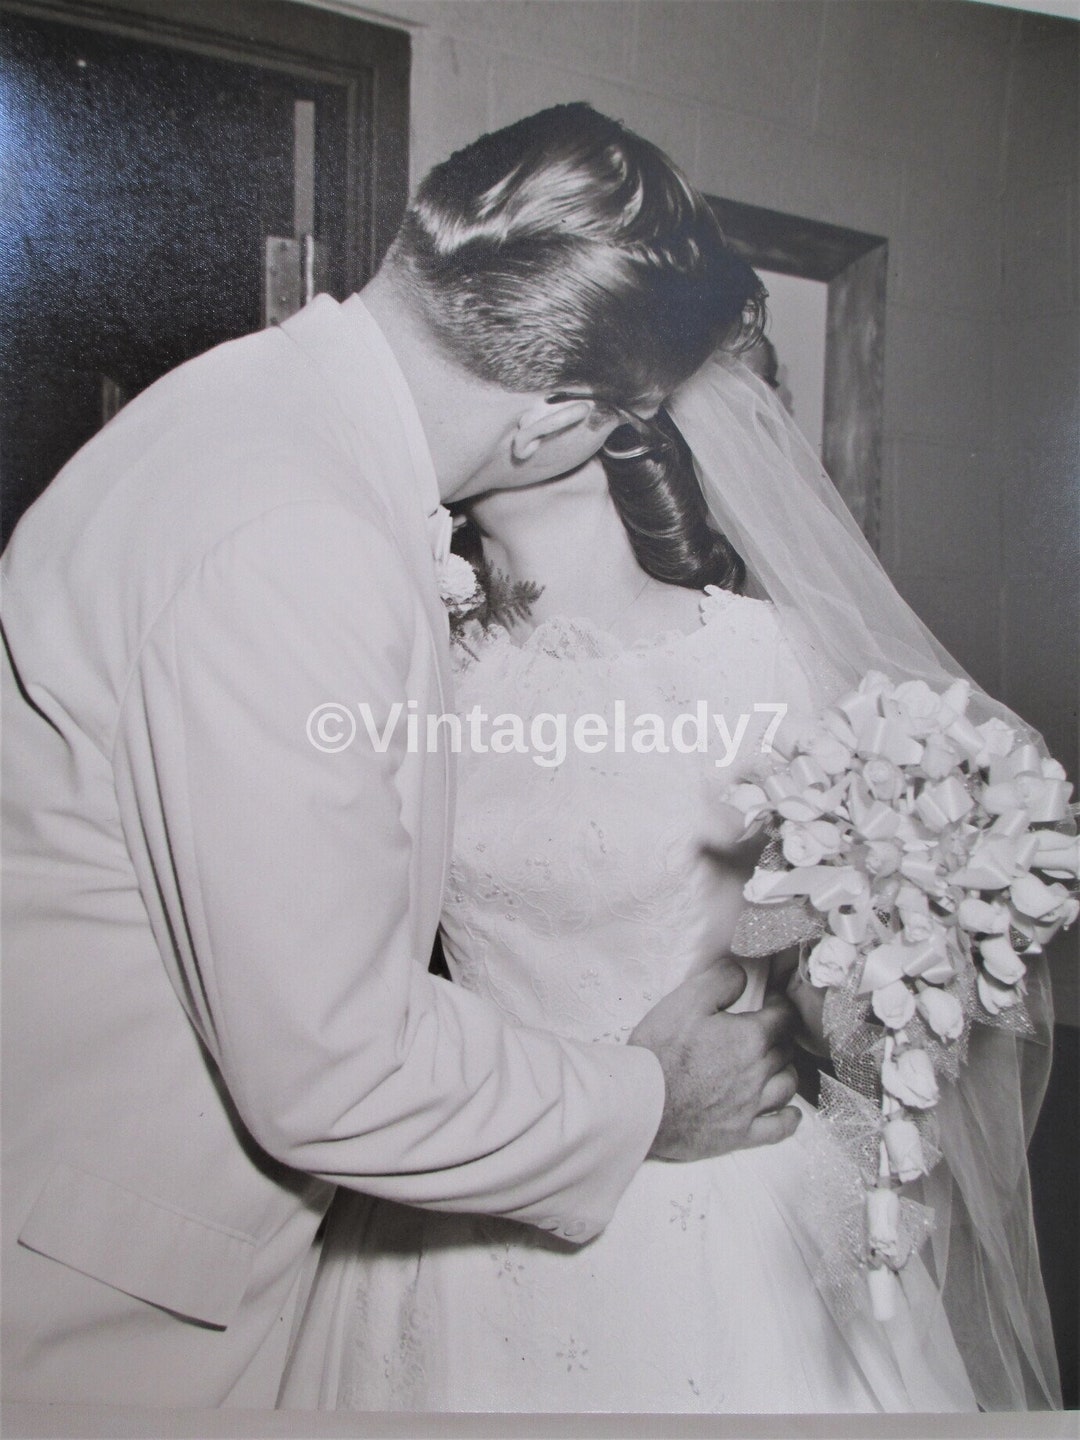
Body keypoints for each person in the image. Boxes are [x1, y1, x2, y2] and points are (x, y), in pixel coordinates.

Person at [1, 104, 807, 1408]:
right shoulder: (298, 536)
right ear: (566, 420)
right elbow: (336, 1063)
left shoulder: (240, 410)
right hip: (107, 1306)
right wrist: (646, 1098)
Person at [280, 360, 1062, 1411]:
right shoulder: (410, 663)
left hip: (729, 1208)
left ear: (608, 422)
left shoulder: (772, 663)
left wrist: (909, 937)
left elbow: (854, 1023)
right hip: (465, 1193)